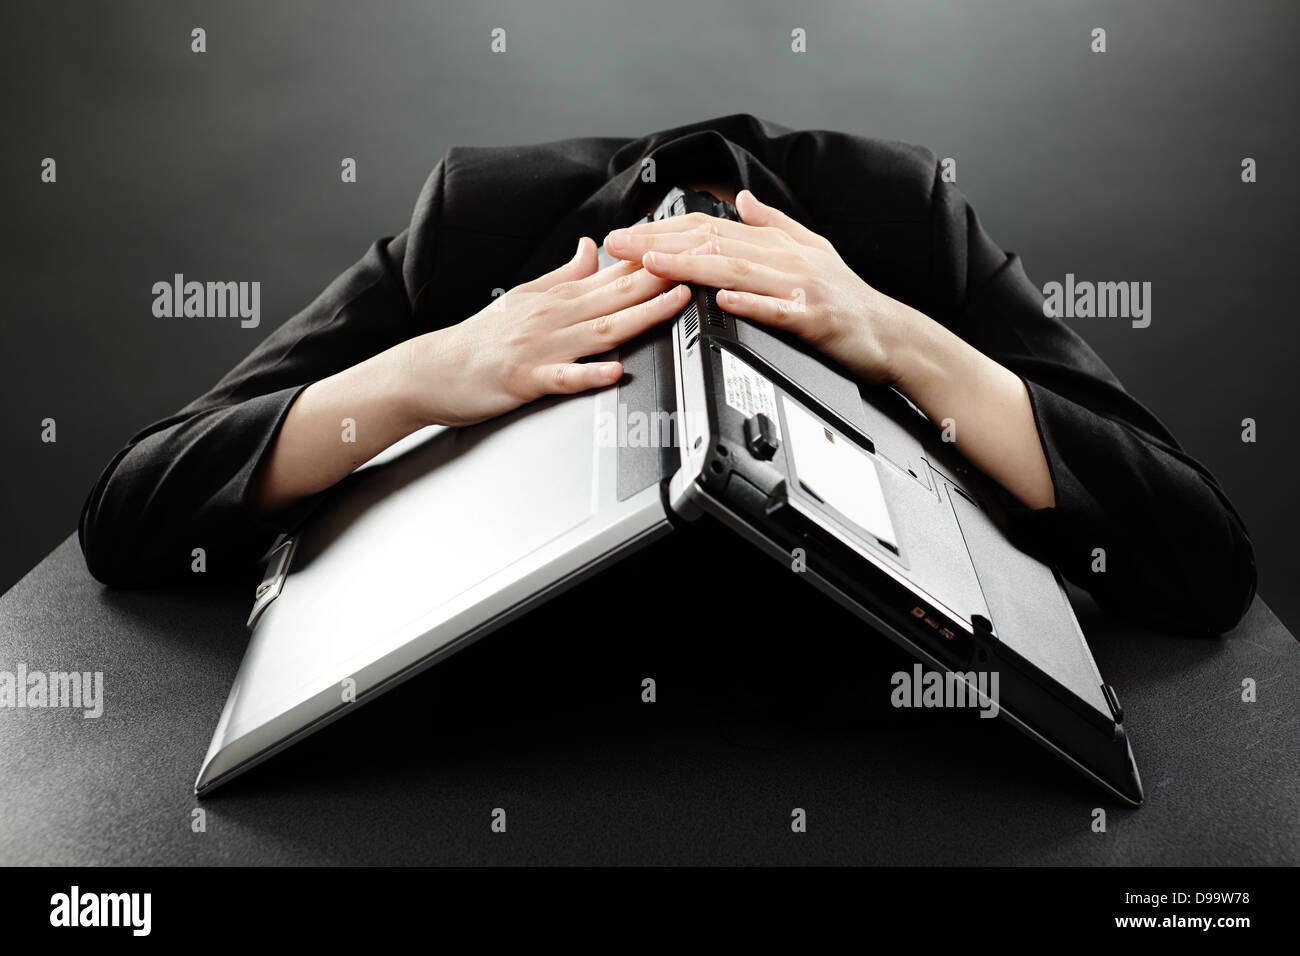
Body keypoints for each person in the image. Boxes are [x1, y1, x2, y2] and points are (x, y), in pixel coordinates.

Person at [78, 114, 1256, 637]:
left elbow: (1200, 563)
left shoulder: (898, 213)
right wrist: (428, 371)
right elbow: (132, 514)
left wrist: (897, 335)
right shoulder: (478, 220)